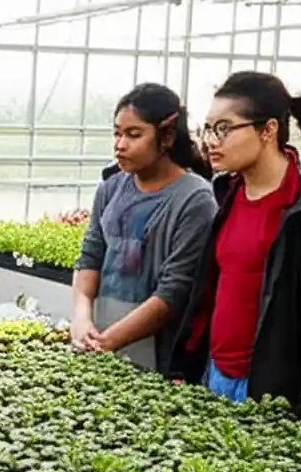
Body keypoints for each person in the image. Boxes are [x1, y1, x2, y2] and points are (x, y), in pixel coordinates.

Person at [170, 71, 301, 437]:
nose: (210, 141)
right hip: (215, 377)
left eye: (224, 129)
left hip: (272, 394)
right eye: (207, 129)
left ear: (268, 131)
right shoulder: (227, 195)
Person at [71, 83, 217, 373]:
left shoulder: (195, 199)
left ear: (167, 137)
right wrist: (81, 317)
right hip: (102, 334)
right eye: (117, 133)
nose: (120, 144)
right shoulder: (112, 188)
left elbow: (174, 291)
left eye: (133, 134)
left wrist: (108, 341)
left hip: (157, 349)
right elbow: (90, 257)